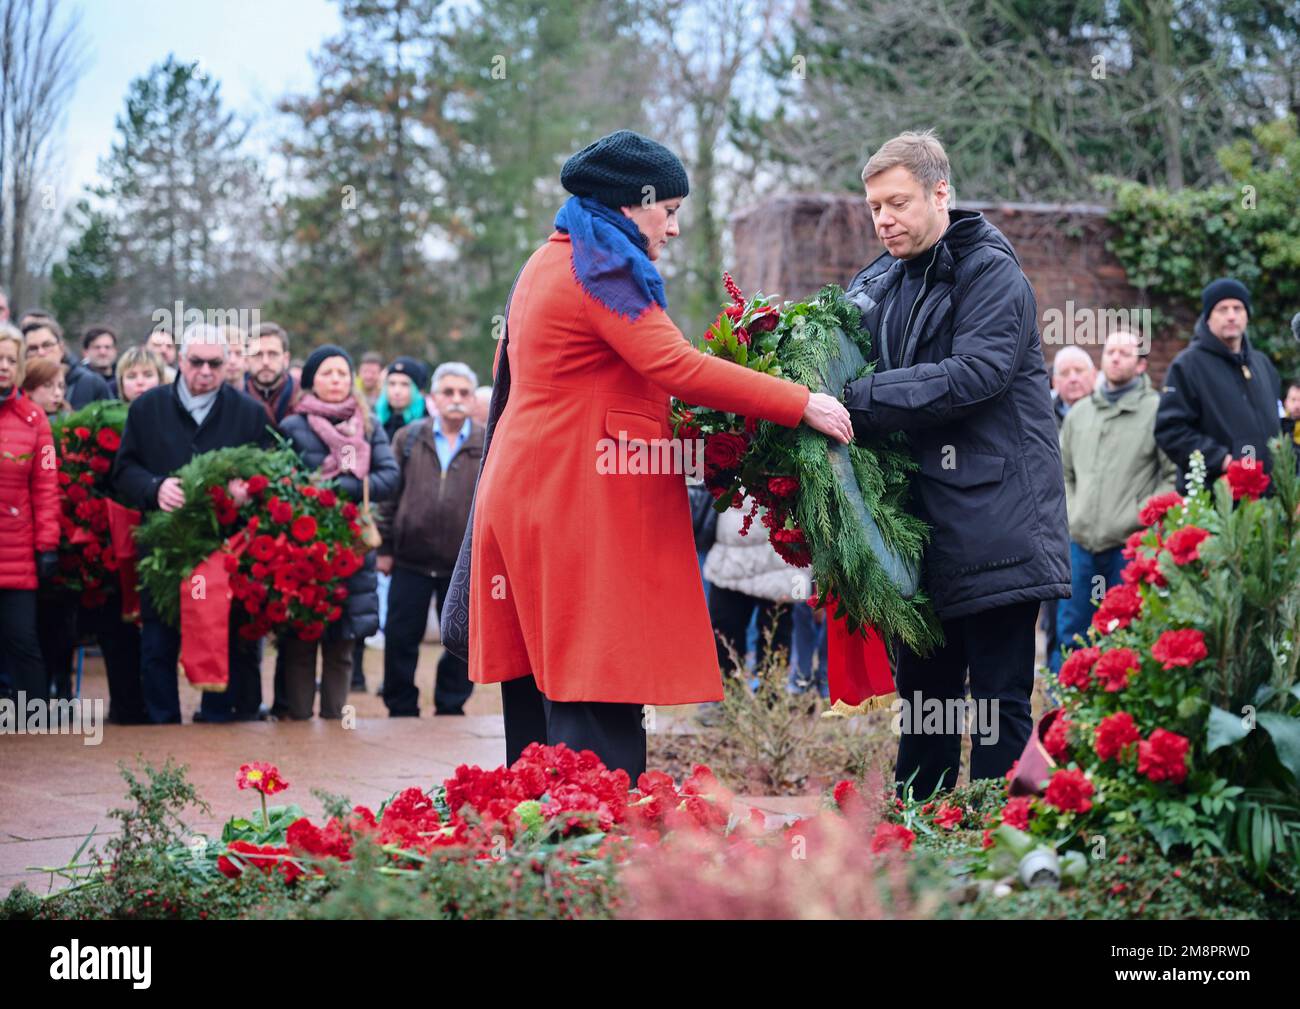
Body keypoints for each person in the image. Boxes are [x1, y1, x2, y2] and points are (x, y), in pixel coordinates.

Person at [468, 130, 851, 779]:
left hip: (534, 486)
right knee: (595, 674)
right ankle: (595, 844)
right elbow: (673, 363)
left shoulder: (548, 259)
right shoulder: (602, 269)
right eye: (667, 211)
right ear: (626, 204)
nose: (673, 229)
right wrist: (798, 400)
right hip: (578, 493)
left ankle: (540, 841)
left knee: (544, 679)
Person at [841, 130, 1069, 798]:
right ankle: (918, 850)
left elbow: (974, 375)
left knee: (999, 705)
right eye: (874, 206)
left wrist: (857, 399)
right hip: (923, 535)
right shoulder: (878, 280)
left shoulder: (992, 272)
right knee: (925, 705)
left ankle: (1001, 855)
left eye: (898, 202)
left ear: (941, 193)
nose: (884, 218)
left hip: (998, 529)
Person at [111, 324, 274, 724]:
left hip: (221, 545)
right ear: (180, 360)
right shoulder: (147, 408)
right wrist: (154, 488)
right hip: (162, 545)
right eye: (196, 362)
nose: (204, 371)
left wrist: (247, 490)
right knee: (157, 641)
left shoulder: (249, 413)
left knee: (224, 636)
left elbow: (273, 474)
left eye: (214, 363)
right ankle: (162, 722)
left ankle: (216, 719)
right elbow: (122, 472)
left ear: (227, 364)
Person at [277, 346, 398, 719]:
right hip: (305, 548)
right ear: (312, 380)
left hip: (352, 547)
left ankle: (335, 724)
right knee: (300, 642)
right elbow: (280, 481)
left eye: (342, 374)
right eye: (327, 373)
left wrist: (344, 488)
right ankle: (295, 722)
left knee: (341, 644)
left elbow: (390, 476)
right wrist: (313, 493)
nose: (336, 380)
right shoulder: (293, 426)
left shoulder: (367, 423)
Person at [1053, 330, 1176, 670]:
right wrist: (1073, 513)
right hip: (1080, 545)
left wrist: (1139, 514)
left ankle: (1115, 708)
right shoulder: (1080, 414)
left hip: (1129, 545)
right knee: (1072, 631)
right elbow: (1062, 473)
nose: (1116, 358)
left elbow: (1172, 476)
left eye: (1125, 353)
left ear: (1141, 365)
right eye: (1110, 352)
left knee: (1125, 631)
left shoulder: (1158, 411)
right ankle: (1062, 709)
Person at [378, 362, 483, 717]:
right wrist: (385, 548)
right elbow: (390, 496)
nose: (456, 399)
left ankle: (451, 705)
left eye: (463, 393)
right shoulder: (408, 438)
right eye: (448, 392)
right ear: (433, 398)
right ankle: (400, 705)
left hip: (462, 563)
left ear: (472, 398)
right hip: (410, 558)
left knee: (461, 638)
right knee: (399, 635)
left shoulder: (487, 440)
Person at [1155, 278, 1283, 492]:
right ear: (1208, 318)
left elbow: (1277, 421)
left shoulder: (1262, 364)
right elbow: (1171, 431)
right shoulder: (1187, 365)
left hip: (1267, 495)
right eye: (1222, 309)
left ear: (1247, 315)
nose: (1231, 315)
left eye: (1238, 308)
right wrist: (1222, 460)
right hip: (1216, 497)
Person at [0, 325, 60, 704]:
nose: (4, 366)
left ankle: (34, 723)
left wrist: (47, 545)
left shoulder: (35, 419)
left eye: (11, 360)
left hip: (17, 553)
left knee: (23, 641)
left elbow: (46, 485)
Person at [704, 495, 798, 677]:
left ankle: (770, 700)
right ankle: (729, 698)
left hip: (780, 558)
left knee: (774, 641)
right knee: (724, 638)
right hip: (732, 554)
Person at [22, 317, 112, 410]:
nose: (41, 353)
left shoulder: (91, 383)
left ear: (61, 348)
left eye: (47, 345)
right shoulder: (17, 387)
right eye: (33, 348)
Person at [243, 322, 298, 425]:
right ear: (246, 360)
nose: (265, 362)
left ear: (286, 359)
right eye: (257, 355)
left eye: (273, 354)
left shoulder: (302, 395)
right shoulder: (231, 400)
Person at [375, 356, 427, 443]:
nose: (397, 391)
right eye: (392, 384)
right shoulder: (374, 421)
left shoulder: (427, 425)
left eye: (405, 384)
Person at [1049, 346, 1096, 429]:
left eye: (1079, 371)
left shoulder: (1109, 409)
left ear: (1093, 375)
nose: (1073, 379)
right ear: (1055, 382)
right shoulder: (1044, 415)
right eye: (1065, 373)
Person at [82, 327, 120, 394]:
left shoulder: (124, 379)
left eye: (107, 347)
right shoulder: (79, 382)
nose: (103, 352)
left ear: (115, 351)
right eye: (97, 347)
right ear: (85, 352)